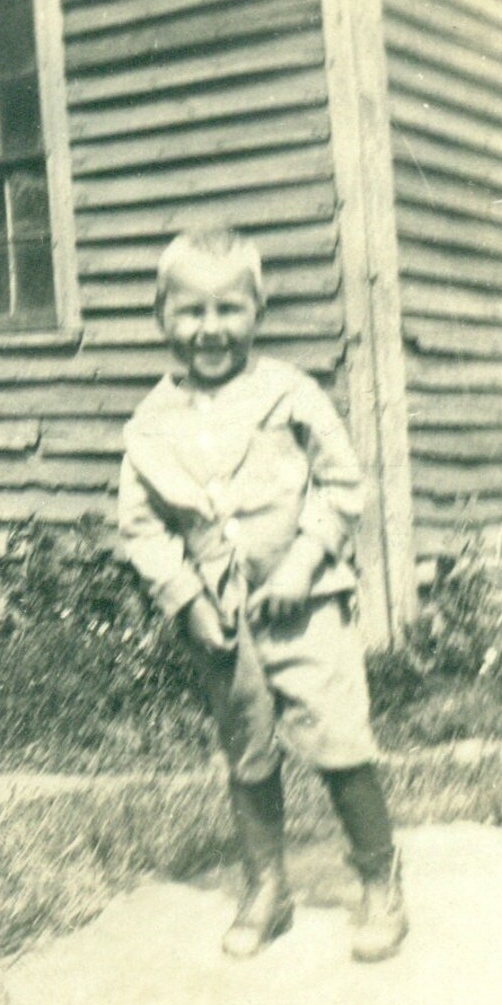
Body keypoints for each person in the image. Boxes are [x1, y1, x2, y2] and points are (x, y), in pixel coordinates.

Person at [118, 225, 408, 963]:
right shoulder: (151, 424)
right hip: (221, 621)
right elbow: (142, 527)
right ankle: (266, 886)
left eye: (228, 310)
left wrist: (304, 563)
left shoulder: (288, 394)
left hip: (306, 604)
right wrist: (186, 600)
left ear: (257, 309)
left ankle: (380, 878)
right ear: (162, 317)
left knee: (339, 742)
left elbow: (344, 484)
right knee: (247, 754)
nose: (209, 329)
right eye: (190, 312)